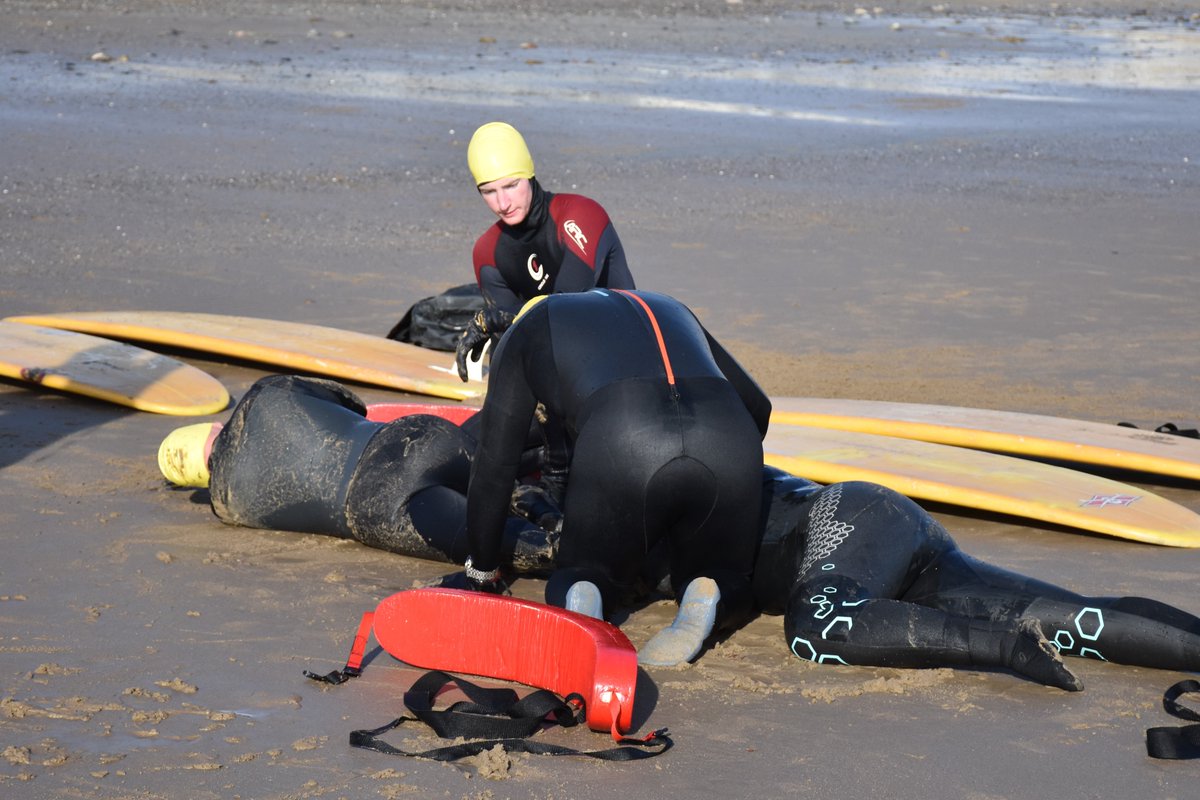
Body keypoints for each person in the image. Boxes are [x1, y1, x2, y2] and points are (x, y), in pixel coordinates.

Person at [438, 288, 773, 668]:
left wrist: (481, 570)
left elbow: (494, 464)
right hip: (727, 432)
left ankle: (585, 596)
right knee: (725, 574)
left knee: (585, 572)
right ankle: (708, 589)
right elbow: (759, 407)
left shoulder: (527, 329)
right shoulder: (668, 305)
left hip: (625, 434)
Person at [751, 466, 1200, 691]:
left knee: (817, 625)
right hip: (888, 531)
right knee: (1077, 620)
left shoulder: (688, 469)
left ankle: (1003, 645)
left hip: (843, 520)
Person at [156, 374, 558, 575]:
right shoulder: (266, 392)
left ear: (201, 481)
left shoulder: (226, 505)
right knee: (494, 465)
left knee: (503, 540)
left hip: (376, 509)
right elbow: (353, 405)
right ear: (210, 429)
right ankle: (542, 474)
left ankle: (562, 541)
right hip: (403, 440)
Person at [454, 121, 635, 384]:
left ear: (529, 174)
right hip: (560, 374)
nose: (503, 203)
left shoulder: (580, 216)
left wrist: (494, 319)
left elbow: (564, 307)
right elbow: (508, 344)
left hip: (625, 357)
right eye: (489, 192)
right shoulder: (488, 253)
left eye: (512, 185)